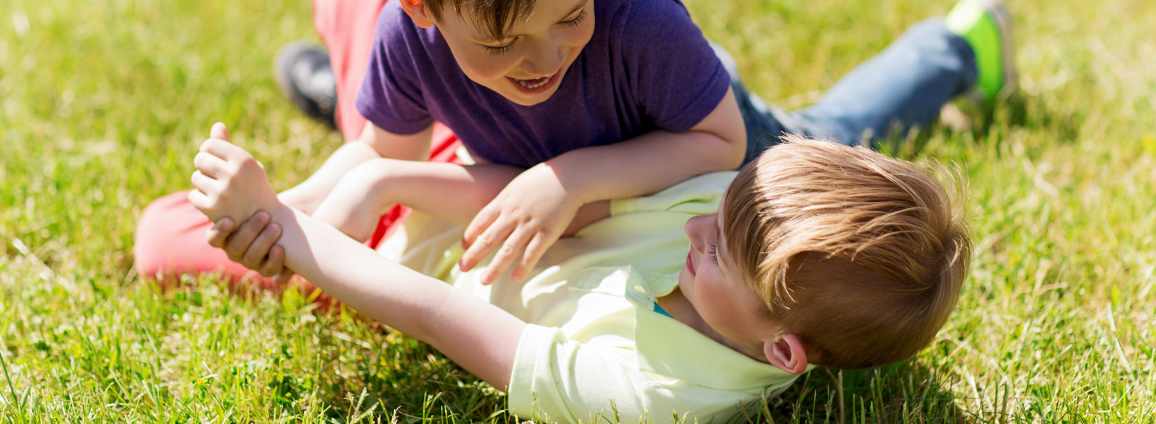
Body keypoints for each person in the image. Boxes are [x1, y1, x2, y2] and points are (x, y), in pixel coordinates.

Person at [133, 0, 1015, 290]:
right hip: (528, 149)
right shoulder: (410, 35)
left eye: (566, 15)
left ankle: (958, 45)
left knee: (827, 135)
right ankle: (336, 79)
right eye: (503, 39)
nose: (544, 54)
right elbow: (385, 159)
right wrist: (280, 220)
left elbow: (722, 147)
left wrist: (573, 177)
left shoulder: (639, 26)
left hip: (696, 129)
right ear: (422, 10)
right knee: (378, 121)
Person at [189, 124, 971, 424]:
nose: (696, 222)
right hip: (456, 164)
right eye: (721, 208)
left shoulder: (648, 396)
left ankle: (353, 105)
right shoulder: (736, 241)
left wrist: (288, 230)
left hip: (379, 258)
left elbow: (430, 311)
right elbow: (554, 204)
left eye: (716, 250)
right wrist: (388, 176)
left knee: (170, 241)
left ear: (783, 354)